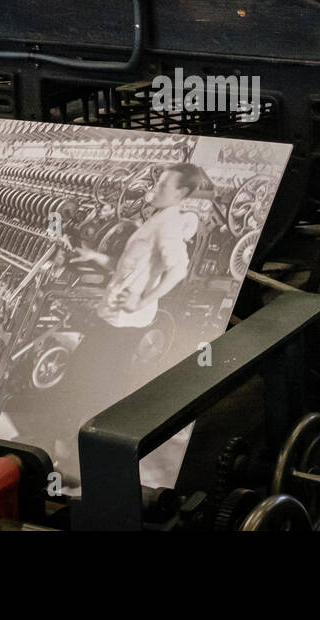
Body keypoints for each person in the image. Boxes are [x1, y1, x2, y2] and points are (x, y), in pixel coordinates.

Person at [46, 162, 211, 463]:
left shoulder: (169, 224)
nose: (154, 189)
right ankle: (78, 453)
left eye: (163, 186)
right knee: (92, 383)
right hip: (112, 315)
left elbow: (178, 271)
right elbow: (129, 267)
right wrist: (93, 256)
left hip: (123, 323)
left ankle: (74, 456)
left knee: (88, 383)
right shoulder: (155, 220)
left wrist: (144, 300)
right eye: (157, 183)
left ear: (181, 193)